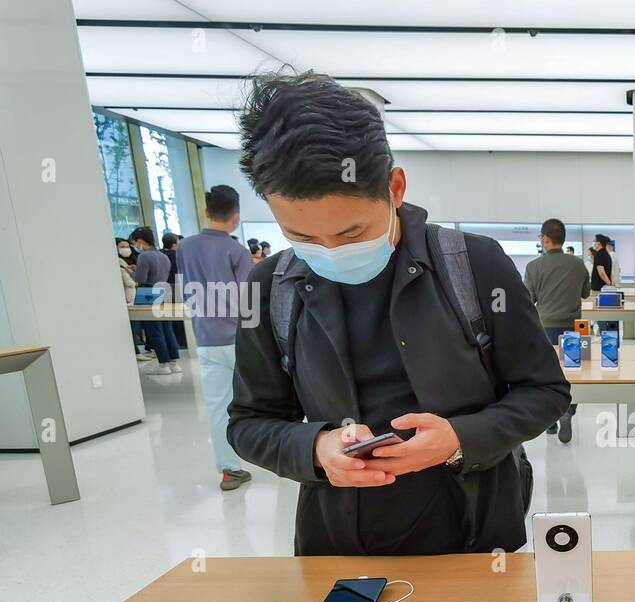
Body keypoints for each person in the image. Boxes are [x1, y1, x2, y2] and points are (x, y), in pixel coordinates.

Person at [227, 72, 570, 556]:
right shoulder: (270, 289)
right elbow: (249, 422)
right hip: (339, 543)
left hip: (476, 534)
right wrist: (316, 449)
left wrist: (458, 439)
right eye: (301, 238)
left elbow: (546, 390)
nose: (329, 251)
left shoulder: (474, 264)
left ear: (395, 186)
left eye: (350, 233)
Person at [176, 185, 255, 491]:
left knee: (218, 405)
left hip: (207, 338)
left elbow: (185, 291)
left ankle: (230, 470)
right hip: (241, 339)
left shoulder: (185, 247)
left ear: (206, 212)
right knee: (275, 397)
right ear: (236, 216)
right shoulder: (237, 251)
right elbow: (251, 301)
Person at [524, 217, 590, 444]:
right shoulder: (578, 265)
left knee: (548, 375)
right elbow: (586, 293)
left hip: (544, 329)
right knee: (574, 373)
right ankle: (568, 412)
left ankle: (550, 419)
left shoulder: (533, 267)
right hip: (574, 329)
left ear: (544, 238)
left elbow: (527, 299)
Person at [129, 226, 182, 375]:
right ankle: (174, 362)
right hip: (165, 290)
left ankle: (163, 364)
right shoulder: (163, 256)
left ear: (139, 240)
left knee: (154, 329)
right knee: (167, 328)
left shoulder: (144, 257)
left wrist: (132, 272)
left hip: (148, 291)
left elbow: (141, 279)